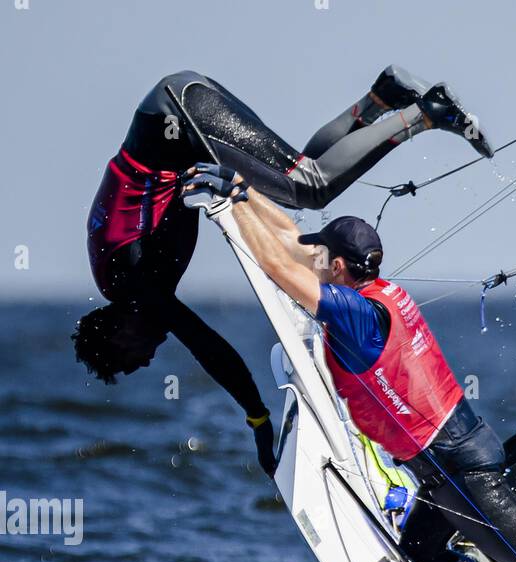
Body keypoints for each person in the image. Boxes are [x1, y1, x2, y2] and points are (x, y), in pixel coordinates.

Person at [187, 167, 516, 562]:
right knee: (423, 555)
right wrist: (243, 191)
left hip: (459, 467)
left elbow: (276, 267)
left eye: (323, 256)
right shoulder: (381, 291)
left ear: (340, 265)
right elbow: (291, 244)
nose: (313, 260)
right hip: (453, 454)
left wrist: (230, 208)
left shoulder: (356, 314)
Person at [73, 68, 492, 476]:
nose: (145, 361)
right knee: (300, 173)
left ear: (114, 332)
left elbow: (209, 347)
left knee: (309, 186)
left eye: (128, 360)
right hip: (176, 108)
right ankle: (382, 98)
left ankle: (427, 113)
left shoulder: (133, 282)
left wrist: (257, 419)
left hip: (177, 116)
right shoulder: (127, 278)